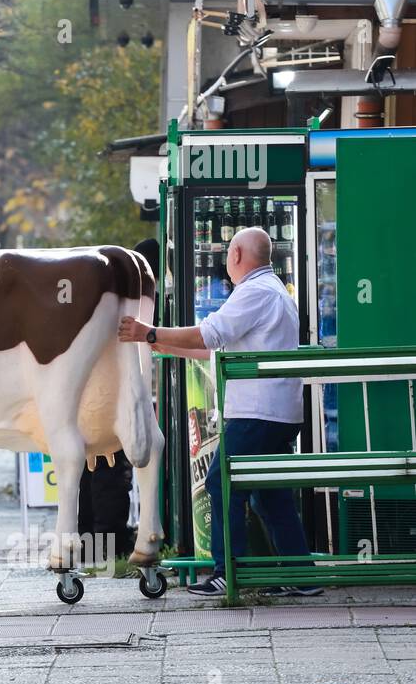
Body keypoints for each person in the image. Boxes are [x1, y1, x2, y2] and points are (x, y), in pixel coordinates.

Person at [118, 226, 320, 598]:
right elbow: (213, 350)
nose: (227, 258)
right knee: (269, 494)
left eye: (229, 251)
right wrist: (159, 344)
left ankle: (227, 573)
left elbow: (207, 336)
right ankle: (302, 575)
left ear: (238, 255)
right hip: (278, 412)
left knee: (220, 483)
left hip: (257, 412)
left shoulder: (254, 291)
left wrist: (149, 332)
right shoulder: (273, 290)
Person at [78, 237, 160, 564]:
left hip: (86, 398)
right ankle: (110, 543)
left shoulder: (95, 301)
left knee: (87, 470)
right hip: (114, 399)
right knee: (113, 472)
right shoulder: (133, 302)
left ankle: (87, 542)